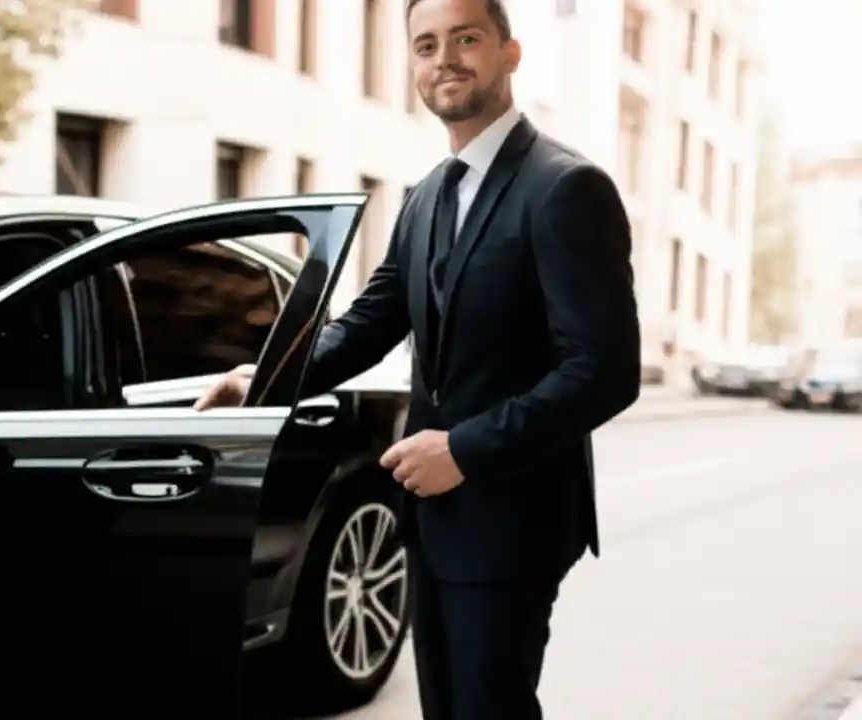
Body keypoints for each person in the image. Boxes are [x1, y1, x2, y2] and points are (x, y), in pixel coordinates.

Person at [193, 0, 642, 717]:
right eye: (426, 45)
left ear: (510, 52)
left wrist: (464, 450)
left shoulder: (565, 188)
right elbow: (370, 322)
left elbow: (604, 371)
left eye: (467, 39)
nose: (445, 61)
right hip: (430, 513)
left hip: (510, 515)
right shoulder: (428, 193)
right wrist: (267, 379)